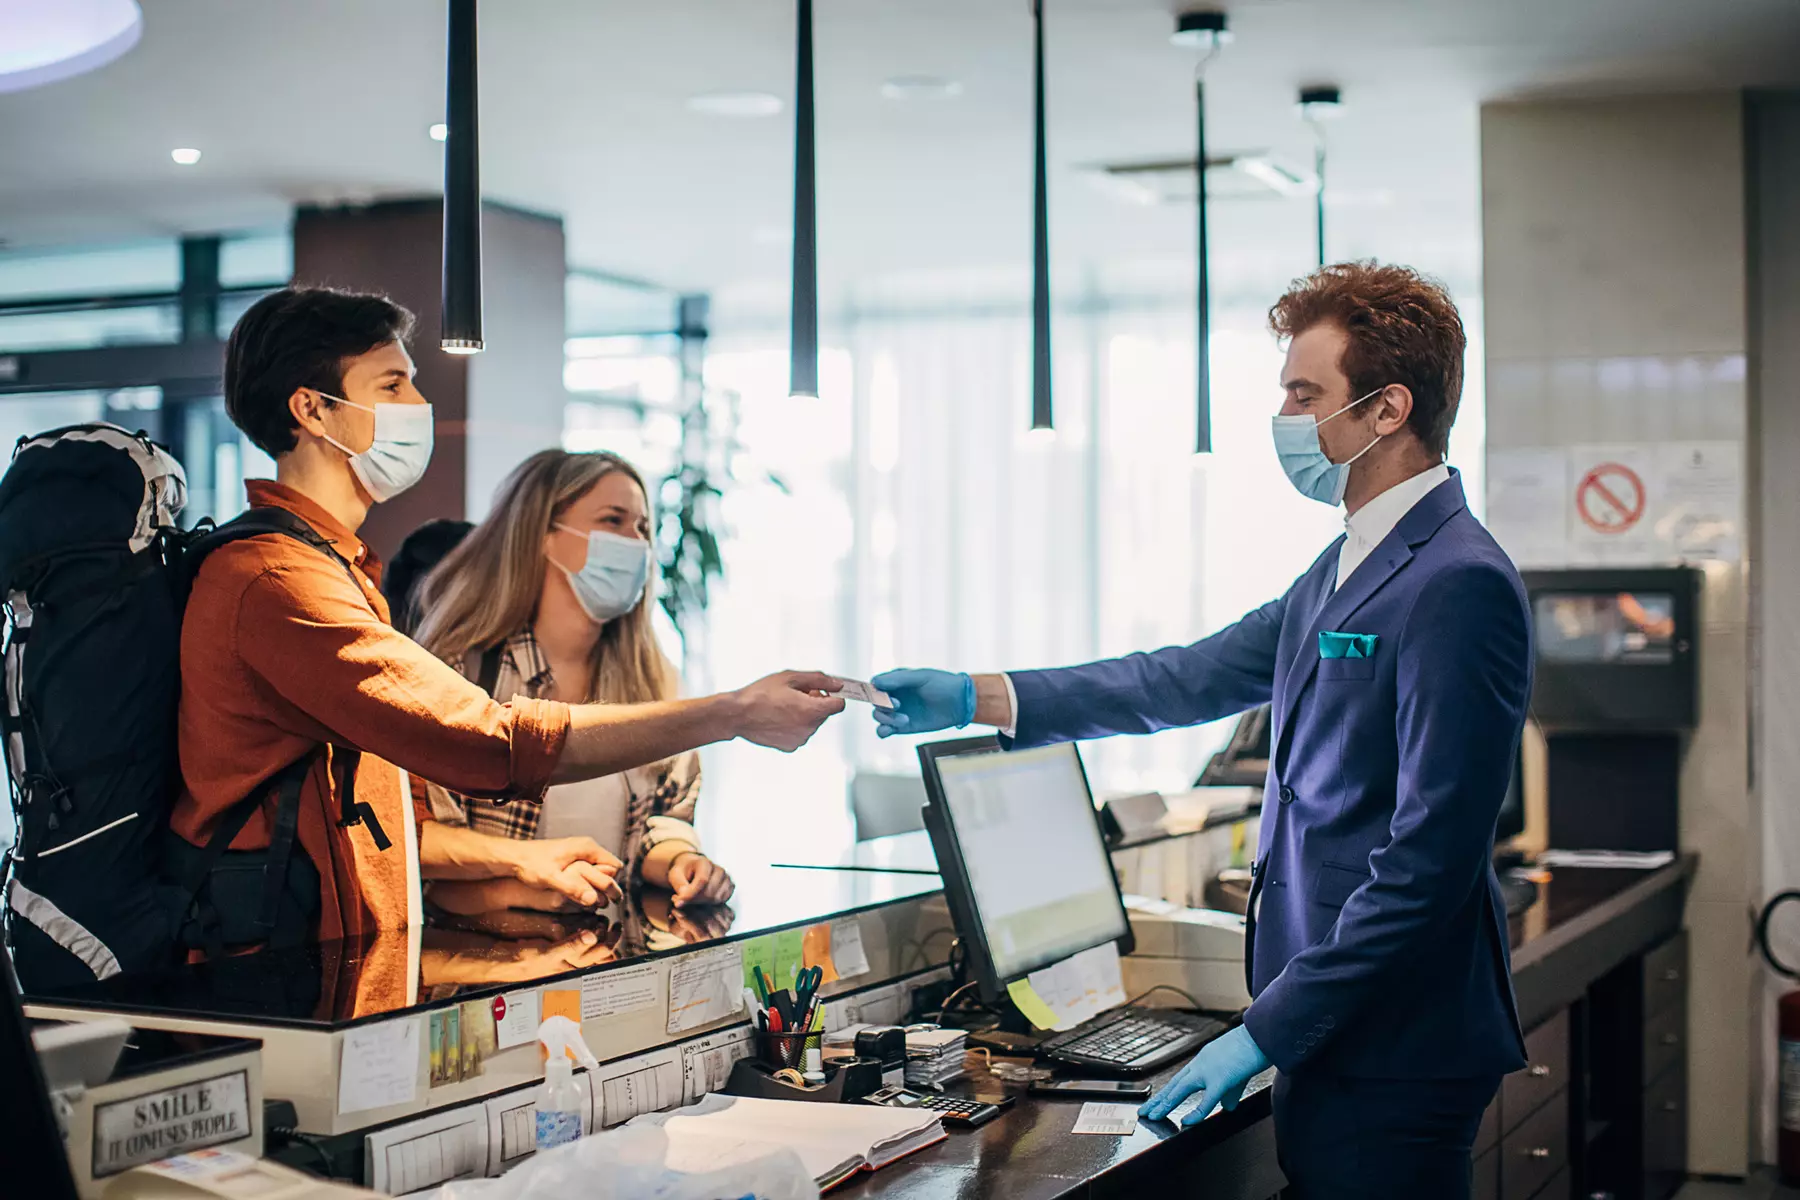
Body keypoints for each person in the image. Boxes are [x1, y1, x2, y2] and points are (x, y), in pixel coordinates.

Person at [872, 262, 1531, 1199]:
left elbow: (1430, 863)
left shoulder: (1456, 581)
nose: (1286, 419)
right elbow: (1180, 678)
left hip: (1395, 1036)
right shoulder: (1345, 563)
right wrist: (981, 697)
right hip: (1332, 1020)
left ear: (1387, 410)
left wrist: (1265, 1031)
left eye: (1305, 394)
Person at [173, 285, 842, 952]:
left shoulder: (332, 568)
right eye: (394, 384)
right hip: (266, 964)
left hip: (321, 958)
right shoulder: (277, 580)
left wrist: (521, 863)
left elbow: (386, 819)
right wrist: (733, 712)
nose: (419, 405)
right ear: (312, 409)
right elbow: (485, 741)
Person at [410, 448, 732, 910]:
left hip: (610, 962)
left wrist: (680, 861)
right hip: (493, 968)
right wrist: (525, 876)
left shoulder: (652, 680)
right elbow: (420, 839)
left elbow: (658, 821)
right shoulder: (462, 676)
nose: (635, 542)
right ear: (544, 535)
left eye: (642, 527)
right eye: (613, 520)